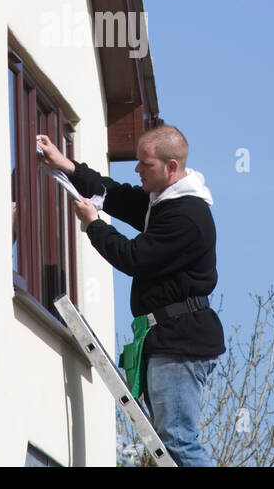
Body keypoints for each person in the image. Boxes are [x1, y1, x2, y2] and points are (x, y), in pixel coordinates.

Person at [37, 125, 224, 467]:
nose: (137, 170)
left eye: (145, 164)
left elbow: (133, 257)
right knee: (170, 445)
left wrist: (94, 225)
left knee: (178, 441)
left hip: (180, 341)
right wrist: (67, 166)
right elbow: (117, 196)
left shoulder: (186, 216)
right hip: (166, 338)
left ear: (171, 167)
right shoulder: (164, 204)